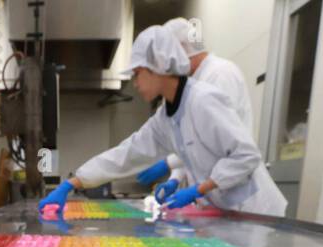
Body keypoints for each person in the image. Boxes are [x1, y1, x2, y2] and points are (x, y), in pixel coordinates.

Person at [38, 25, 286, 217]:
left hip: (255, 210)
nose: (135, 83)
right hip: (228, 209)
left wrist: (198, 189)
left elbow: (246, 155)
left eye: (137, 73)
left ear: (158, 67)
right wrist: (72, 183)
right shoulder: (165, 116)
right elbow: (127, 153)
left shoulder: (203, 99)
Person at [137, 17, 255, 202]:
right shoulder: (193, 83)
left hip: (241, 196)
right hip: (216, 197)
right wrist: (175, 178)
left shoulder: (220, 75)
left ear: (183, 49)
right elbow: (193, 145)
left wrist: (168, 163)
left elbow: (215, 145)